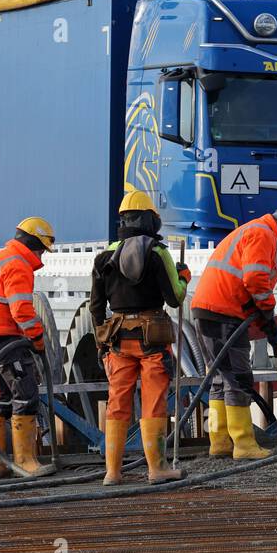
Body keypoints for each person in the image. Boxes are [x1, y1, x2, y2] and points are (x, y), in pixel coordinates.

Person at [191, 199, 277, 459]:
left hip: (210, 309)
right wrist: (268, 315)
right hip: (223, 312)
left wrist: (266, 326)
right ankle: (244, 444)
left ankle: (220, 441)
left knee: (219, 379)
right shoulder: (263, 234)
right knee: (238, 378)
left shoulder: (254, 230)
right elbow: (255, 280)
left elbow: (248, 288)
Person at [89, 191, 191, 486]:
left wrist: (101, 342)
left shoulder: (104, 257)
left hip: (118, 341)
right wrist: (183, 277)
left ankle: (113, 472)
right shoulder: (158, 253)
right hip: (153, 340)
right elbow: (175, 297)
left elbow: (96, 306)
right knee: (153, 401)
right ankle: (157, 469)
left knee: (117, 402)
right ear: (151, 219)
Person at [0, 216, 58, 480]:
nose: (42, 256)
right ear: (33, 244)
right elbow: (22, 311)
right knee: (25, 393)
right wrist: (38, 340)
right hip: (3, 339)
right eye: (41, 250)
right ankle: (25, 462)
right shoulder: (18, 265)